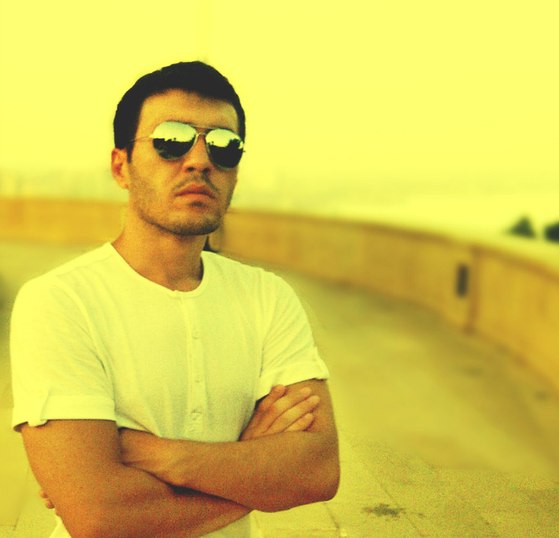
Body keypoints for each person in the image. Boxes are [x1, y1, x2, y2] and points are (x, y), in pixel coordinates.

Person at [11, 61, 339, 538]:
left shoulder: (268, 297)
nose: (200, 160)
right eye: (171, 140)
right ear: (121, 166)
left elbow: (317, 471)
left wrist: (157, 454)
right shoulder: (61, 301)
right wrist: (256, 471)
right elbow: (99, 516)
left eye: (224, 146)